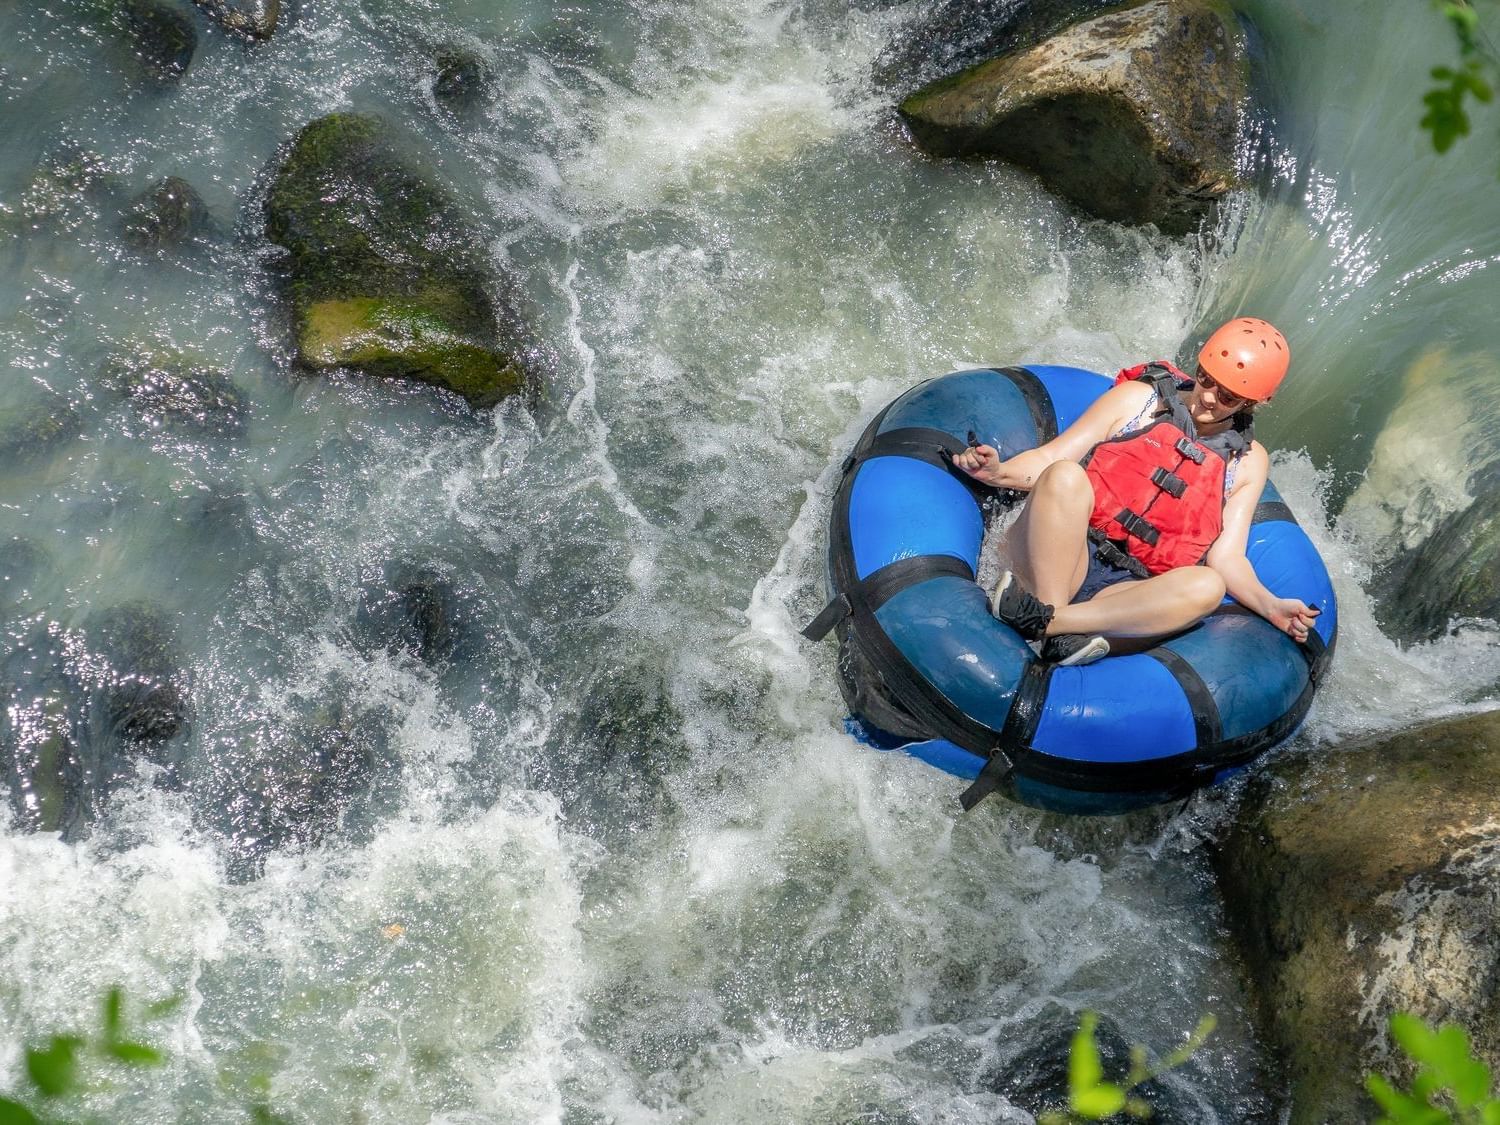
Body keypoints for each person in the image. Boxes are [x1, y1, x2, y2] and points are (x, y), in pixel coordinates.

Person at [951, 317, 1322, 666]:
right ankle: (1053, 620)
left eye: (1227, 396)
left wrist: (1270, 605)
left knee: (1209, 585)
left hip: (1122, 593)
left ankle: (1049, 623)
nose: (1209, 398)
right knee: (1064, 475)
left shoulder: (1248, 461)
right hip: (1067, 552)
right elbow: (1051, 458)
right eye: (1206, 379)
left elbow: (1227, 558)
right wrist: (998, 472)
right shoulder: (1138, 400)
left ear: (1254, 403)